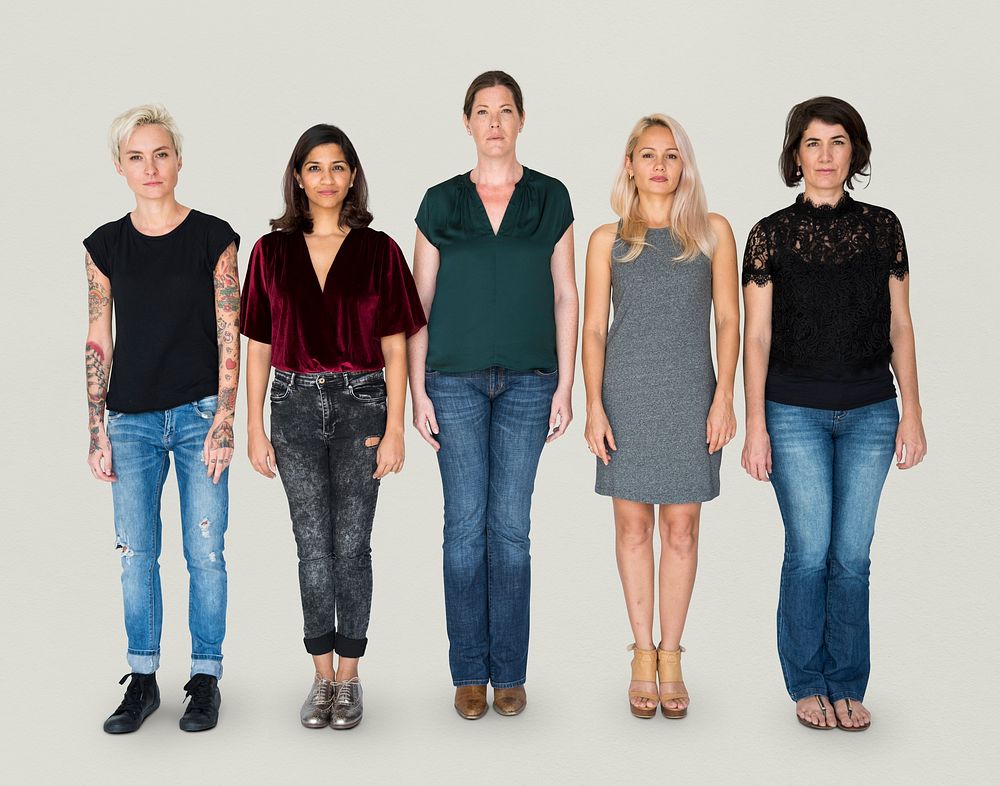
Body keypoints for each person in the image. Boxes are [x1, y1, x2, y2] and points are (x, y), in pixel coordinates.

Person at [741, 96, 927, 731]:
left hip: (874, 411)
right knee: (809, 550)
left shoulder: (884, 228)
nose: (825, 155)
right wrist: (756, 424)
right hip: (792, 413)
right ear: (796, 154)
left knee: (852, 554)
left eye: (837, 141)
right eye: (813, 143)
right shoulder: (769, 234)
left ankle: (848, 681)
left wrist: (914, 412)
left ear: (855, 152)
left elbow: (900, 326)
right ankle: (806, 681)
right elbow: (756, 338)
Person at [241, 124, 425, 730]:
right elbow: (260, 346)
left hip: (361, 403)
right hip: (291, 405)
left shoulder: (380, 251)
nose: (326, 178)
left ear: (352, 177)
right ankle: (320, 676)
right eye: (314, 168)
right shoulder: (270, 253)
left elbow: (396, 348)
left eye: (337, 167)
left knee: (352, 546)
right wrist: (254, 426)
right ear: (298, 177)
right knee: (311, 547)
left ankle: (350, 677)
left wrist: (396, 426)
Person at [409, 70, 577, 719]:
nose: (495, 122)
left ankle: (508, 671)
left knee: (509, 530)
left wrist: (567, 383)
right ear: (468, 122)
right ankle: (467, 672)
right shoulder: (441, 203)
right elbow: (416, 302)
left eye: (506, 110)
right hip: (451, 381)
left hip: (531, 385)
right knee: (463, 529)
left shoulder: (550, 198)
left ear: (521, 119)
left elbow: (566, 295)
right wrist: (418, 391)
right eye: (484, 111)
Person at [85, 104, 239, 733]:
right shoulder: (106, 245)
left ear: (179, 159)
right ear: (120, 167)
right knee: (136, 555)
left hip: (202, 410)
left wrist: (227, 416)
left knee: (205, 551)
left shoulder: (214, 236)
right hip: (131, 420)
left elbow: (233, 333)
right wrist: (96, 424)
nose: (151, 168)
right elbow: (99, 332)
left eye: (161, 154)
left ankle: (204, 677)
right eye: (136, 157)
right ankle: (142, 679)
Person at [582, 114, 739, 719]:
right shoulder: (607, 240)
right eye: (647, 154)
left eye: (671, 156)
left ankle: (671, 656)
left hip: (690, 393)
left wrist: (725, 395)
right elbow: (594, 328)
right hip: (625, 395)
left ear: (684, 166)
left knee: (681, 529)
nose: (659, 165)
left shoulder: (712, 232)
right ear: (629, 163)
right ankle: (640, 653)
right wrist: (593, 404)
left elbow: (729, 319)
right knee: (631, 529)